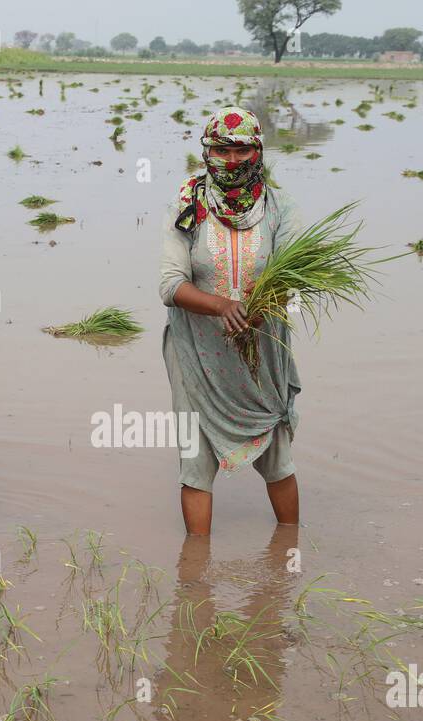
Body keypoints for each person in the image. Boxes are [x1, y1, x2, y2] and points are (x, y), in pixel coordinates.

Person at [159, 107, 301, 535]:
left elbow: (293, 279)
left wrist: (257, 311)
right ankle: (196, 578)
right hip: (195, 354)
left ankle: (288, 563)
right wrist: (220, 306)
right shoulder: (187, 204)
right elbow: (169, 285)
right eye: (222, 149)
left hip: (261, 352)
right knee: (195, 465)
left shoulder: (280, 208)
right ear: (207, 152)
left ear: (258, 151)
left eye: (242, 150)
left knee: (277, 459)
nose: (232, 160)